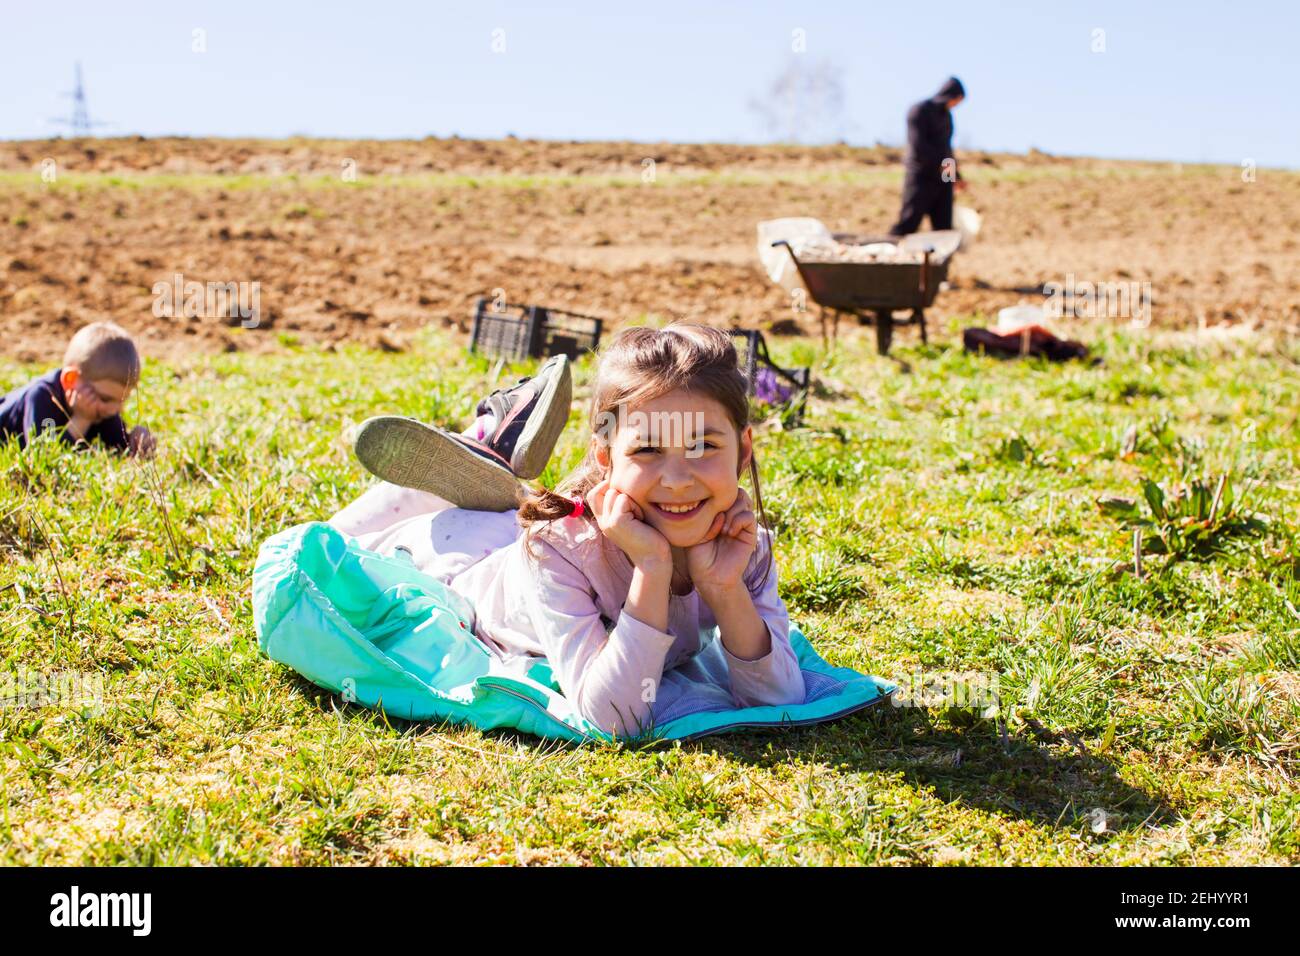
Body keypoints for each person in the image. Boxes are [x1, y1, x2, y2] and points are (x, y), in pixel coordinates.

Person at [334, 327, 805, 736]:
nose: (678, 479)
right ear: (605, 459)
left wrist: (724, 590)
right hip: (454, 562)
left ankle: (496, 452)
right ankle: (485, 443)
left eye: (704, 445)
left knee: (510, 517)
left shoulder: (743, 550)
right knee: (333, 539)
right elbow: (614, 719)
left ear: (744, 451)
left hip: (510, 534)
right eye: (647, 450)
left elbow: (781, 699)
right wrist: (653, 567)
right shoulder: (557, 551)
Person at [0, 321, 155, 456]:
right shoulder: (43, 397)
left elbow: (118, 447)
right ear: (71, 380)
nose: (115, 409)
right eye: (106, 399)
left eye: (122, 401)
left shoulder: (102, 408)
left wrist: (135, 440)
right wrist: (81, 420)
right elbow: (44, 455)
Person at [888, 76, 967, 236]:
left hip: (942, 179)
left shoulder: (947, 117)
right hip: (920, 175)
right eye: (957, 100)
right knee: (909, 222)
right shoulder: (919, 110)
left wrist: (953, 177)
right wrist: (943, 168)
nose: (957, 105)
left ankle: (938, 261)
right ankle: (890, 255)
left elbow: (946, 150)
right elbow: (919, 146)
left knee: (944, 229)